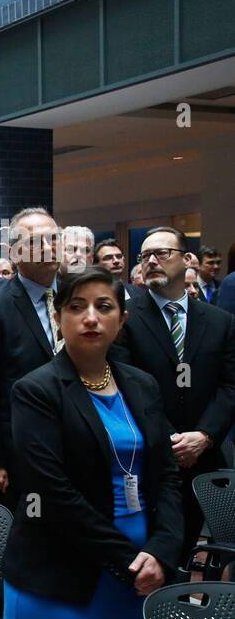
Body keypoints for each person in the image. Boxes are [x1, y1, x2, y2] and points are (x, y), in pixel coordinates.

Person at [3, 267, 183, 619]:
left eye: (104, 306)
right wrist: (131, 560)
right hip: (63, 576)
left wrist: (164, 552)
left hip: (138, 578)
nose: (90, 317)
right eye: (77, 306)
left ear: (122, 319)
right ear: (58, 318)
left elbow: (167, 476)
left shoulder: (142, 385)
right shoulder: (36, 391)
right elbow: (52, 494)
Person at [110, 226, 235, 560]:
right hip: (146, 455)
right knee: (146, 555)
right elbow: (124, 383)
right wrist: (170, 438)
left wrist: (205, 435)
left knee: (185, 553)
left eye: (161, 253)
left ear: (187, 260)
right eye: (145, 256)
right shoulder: (125, 319)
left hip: (203, 456)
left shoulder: (219, 321)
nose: (151, 261)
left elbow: (230, 386)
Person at [0, 207, 62, 506]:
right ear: (14, 252)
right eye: (35, 242)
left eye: (53, 239)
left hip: (79, 444)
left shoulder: (80, 298)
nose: (47, 248)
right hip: (20, 451)